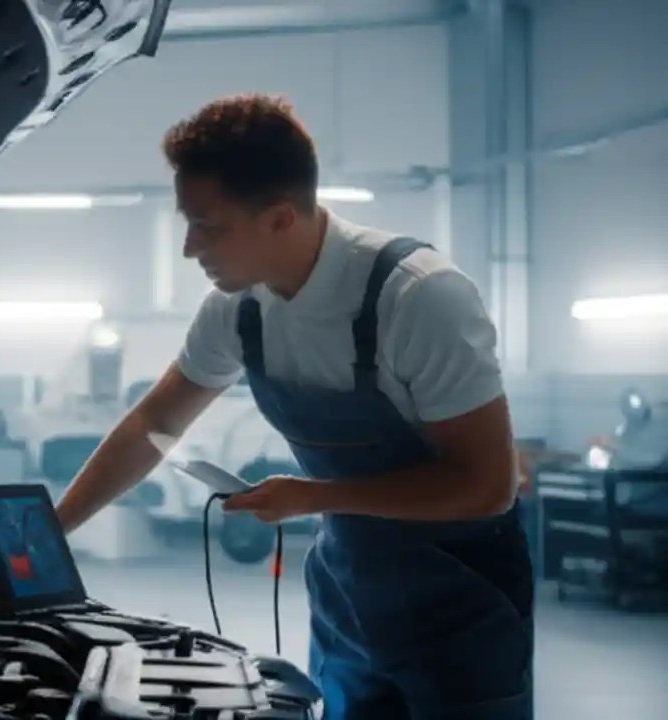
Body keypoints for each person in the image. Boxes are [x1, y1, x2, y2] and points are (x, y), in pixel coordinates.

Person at [54, 94, 533, 719]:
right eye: (187, 222)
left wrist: (313, 496)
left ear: (280, 218)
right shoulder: (238, 309)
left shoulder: (417, 298)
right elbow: (154, 424)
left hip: (463, 601)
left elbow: (487, 486)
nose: (189, 248)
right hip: (349, 592)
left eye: (209, 226)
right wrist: (52, 533)